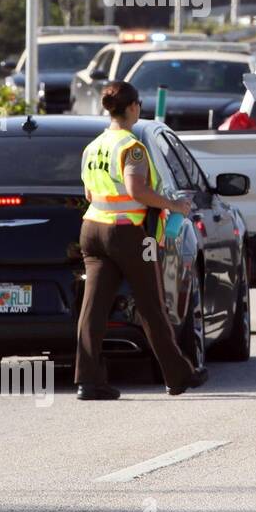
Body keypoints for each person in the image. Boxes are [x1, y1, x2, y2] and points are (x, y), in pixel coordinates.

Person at [76, 80, 207, 400]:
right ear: (133, 107)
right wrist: (174, 205)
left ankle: (88, 381)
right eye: (139, 104)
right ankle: (177, 376)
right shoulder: (131, 147)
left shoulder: (93, 146)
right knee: (151, 303)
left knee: (93, 309)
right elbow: (137, 191)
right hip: (130, 235)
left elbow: (90, 193)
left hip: (92, 231)